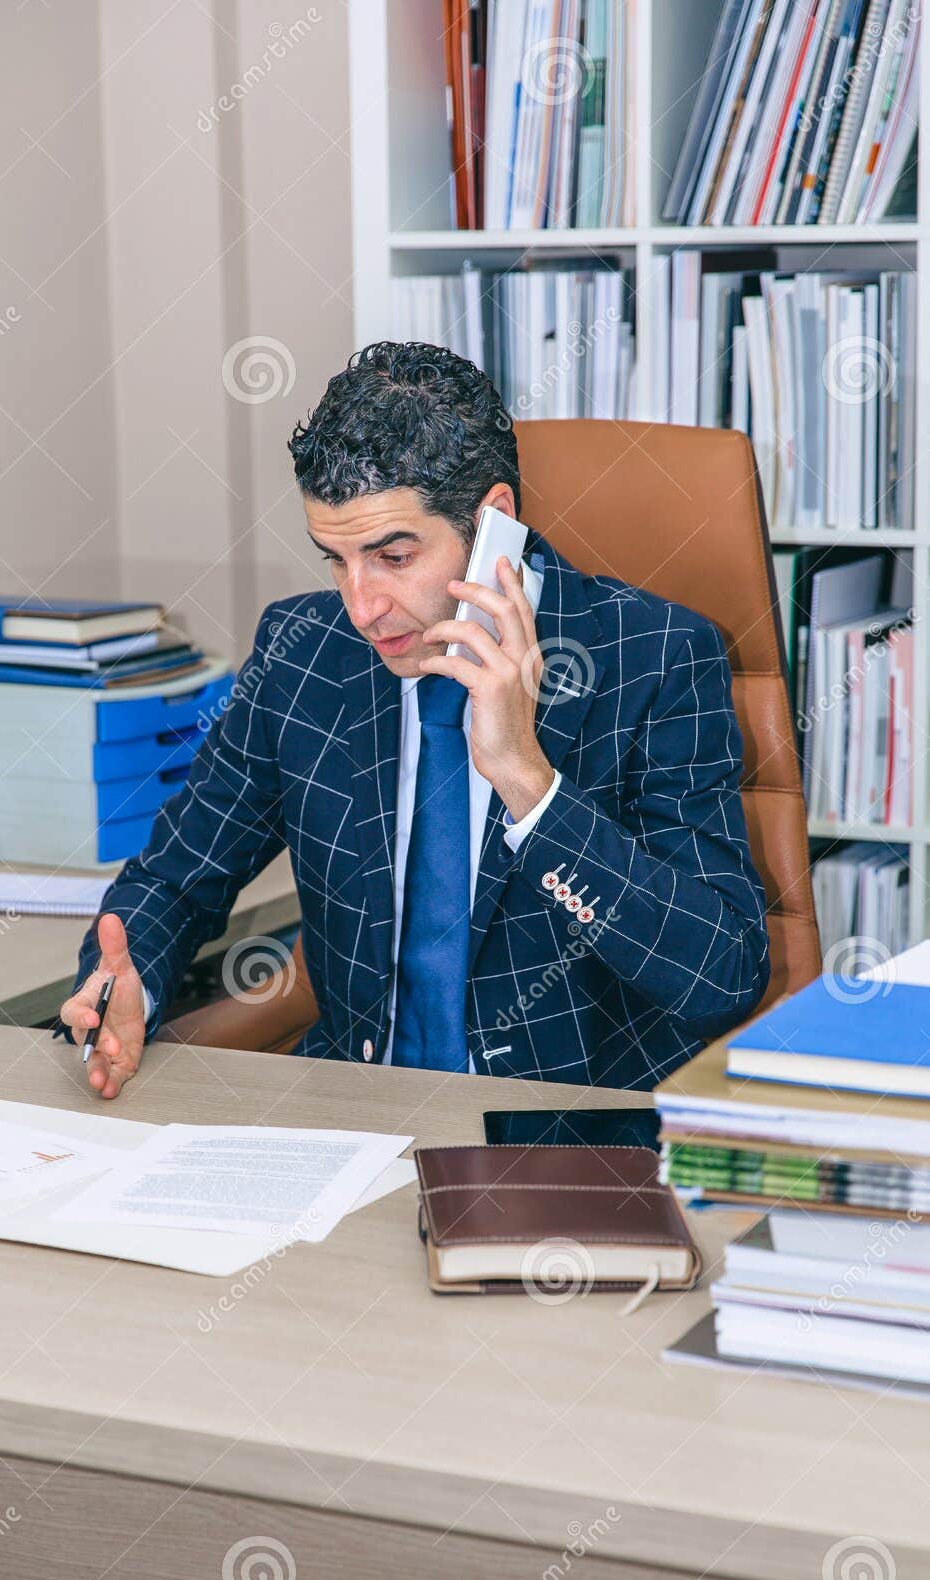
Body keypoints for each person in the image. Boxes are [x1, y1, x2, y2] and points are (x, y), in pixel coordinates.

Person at [58, 341, 769, 1098]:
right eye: (335, 559)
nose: (360, 606)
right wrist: (124, 979)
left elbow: (719, 974)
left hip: (564, 1143)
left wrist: (529, 783)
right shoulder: (303, 651)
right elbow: (177, 878)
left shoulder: (652, 657)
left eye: (392, 557)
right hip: (349, 1124)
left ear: (493, 520)